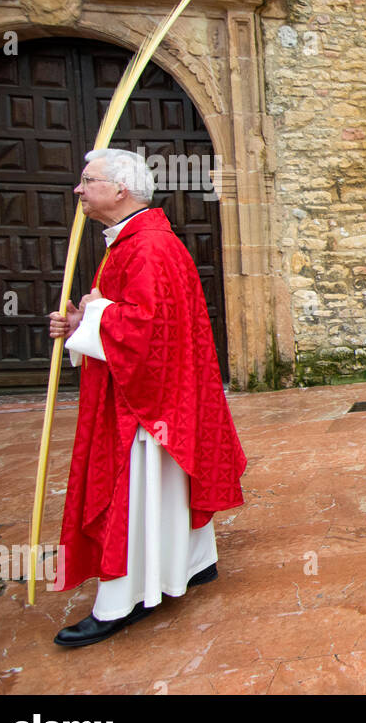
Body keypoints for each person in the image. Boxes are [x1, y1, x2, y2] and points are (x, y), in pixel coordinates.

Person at [46, 148, 245, 647]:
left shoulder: (148, 246)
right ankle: (194, 562)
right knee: (165, 486)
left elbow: (146, 327)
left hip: (143, 406)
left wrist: (96, 315)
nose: (78, 189)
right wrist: (84, 321)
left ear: (120, 189)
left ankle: (122, 599)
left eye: (88, 180)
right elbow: (140, 316)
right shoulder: (135, 240)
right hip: (155, 395)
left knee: (132, 492)